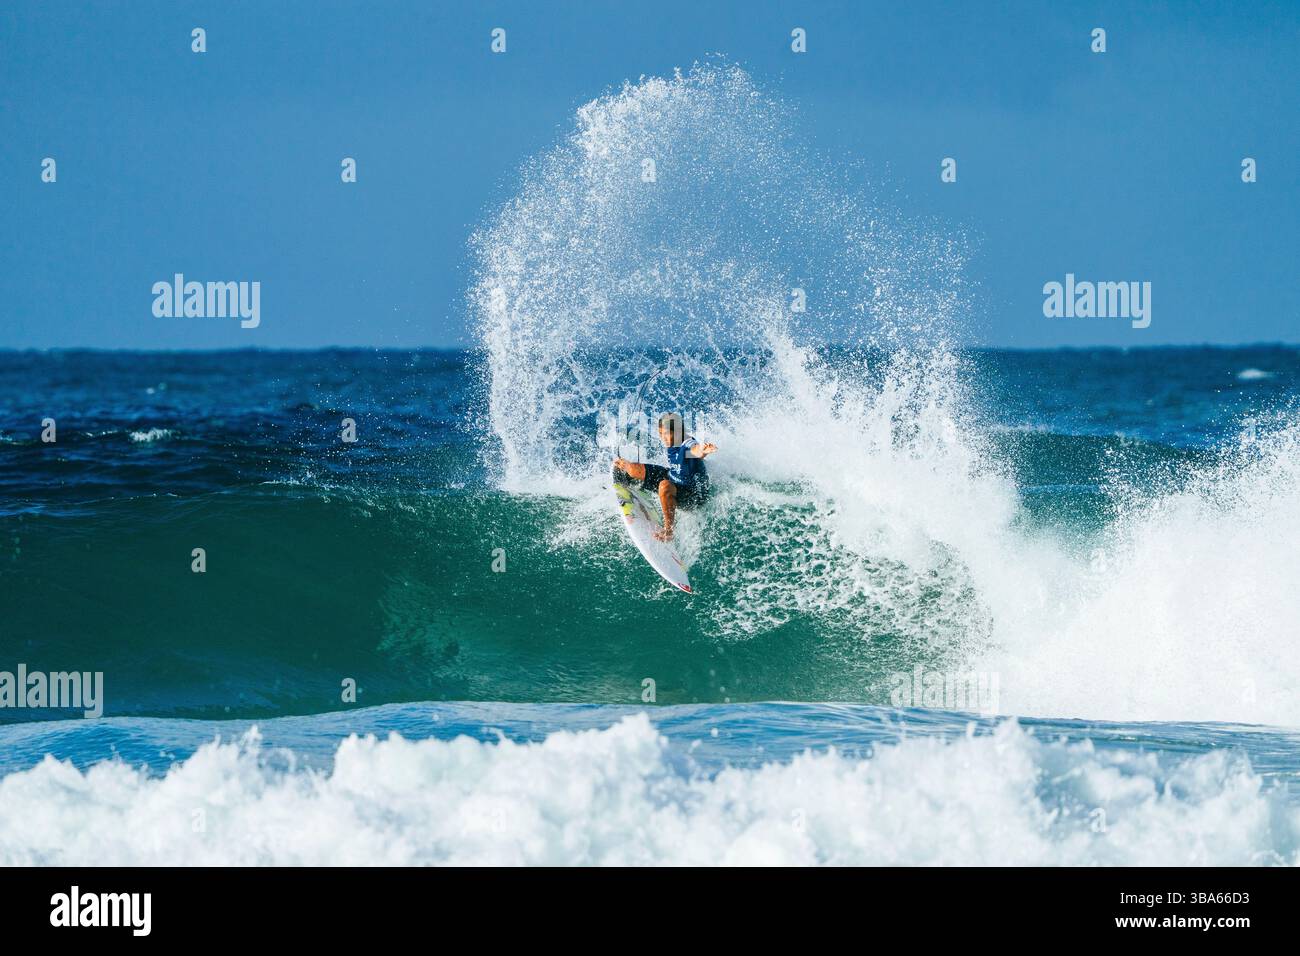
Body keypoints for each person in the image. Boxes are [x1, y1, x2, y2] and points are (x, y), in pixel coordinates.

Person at [613, 412, 717, 541]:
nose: (663, 438)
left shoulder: (687, 444)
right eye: (661, 433)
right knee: (632, 469)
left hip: (692, 496)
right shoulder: (672, 442)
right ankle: (632, 483)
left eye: (666, 433)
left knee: (664, 486)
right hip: (674, 477)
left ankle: (668, 532)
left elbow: (696, 450)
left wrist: (703, 450)